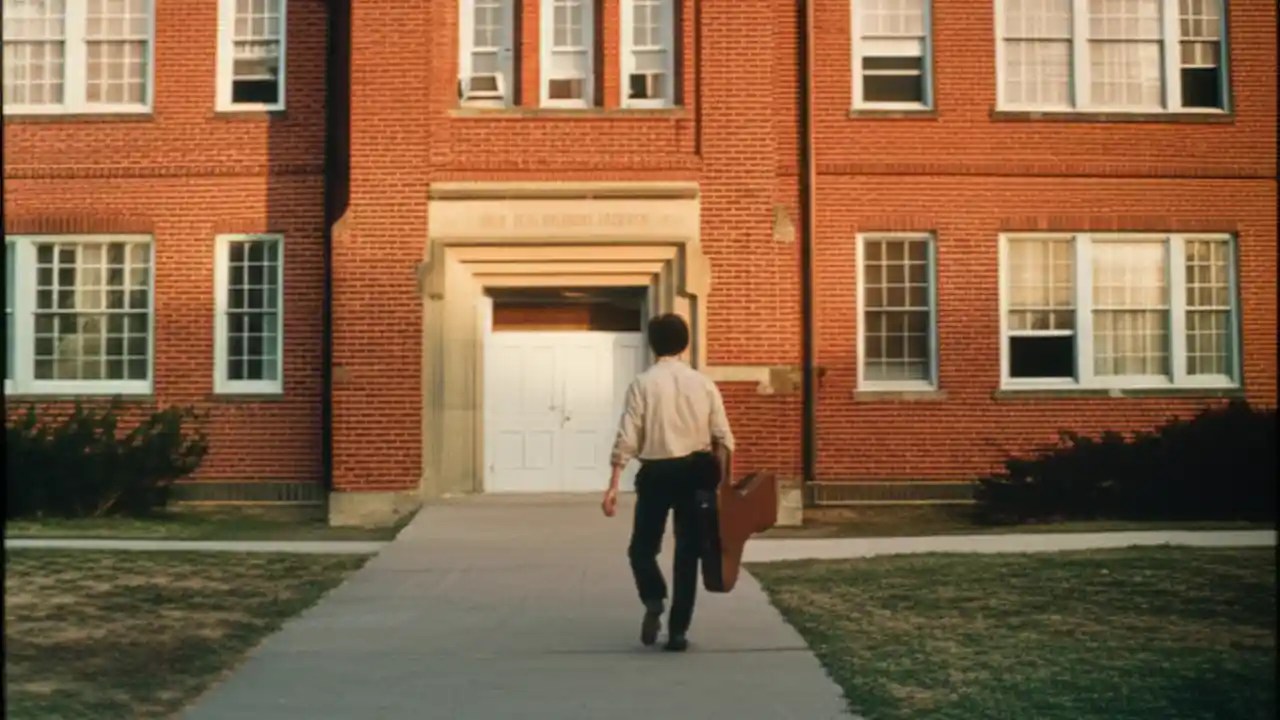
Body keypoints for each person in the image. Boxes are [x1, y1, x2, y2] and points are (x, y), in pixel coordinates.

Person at [601, 313, 735, 652]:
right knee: (688, 553)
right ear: (685, 343)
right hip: (696, 470)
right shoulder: (703, 383)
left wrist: (614, 484)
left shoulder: (643, 384)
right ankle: (678, 632)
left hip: (657, 473)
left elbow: (627, 436)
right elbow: (723, 437)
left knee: (642, 549)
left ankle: (653, 596)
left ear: (652, 344)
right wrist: (724, 486)